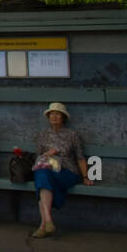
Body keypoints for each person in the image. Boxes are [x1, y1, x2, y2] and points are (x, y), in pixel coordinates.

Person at [31, 102, 92, 238]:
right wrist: (48, 154)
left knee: (42, 181)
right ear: (48, 117)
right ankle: (47, 221)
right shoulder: (43, 134)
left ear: (63, 117)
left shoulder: (72, 135)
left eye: (57, 114)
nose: (54, 116)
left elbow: (80, 157)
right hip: (48, 169)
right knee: (42, 175)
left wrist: (85, 177)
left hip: (67, 171)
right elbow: (38, 157)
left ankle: (43, 224)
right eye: (51, 114)